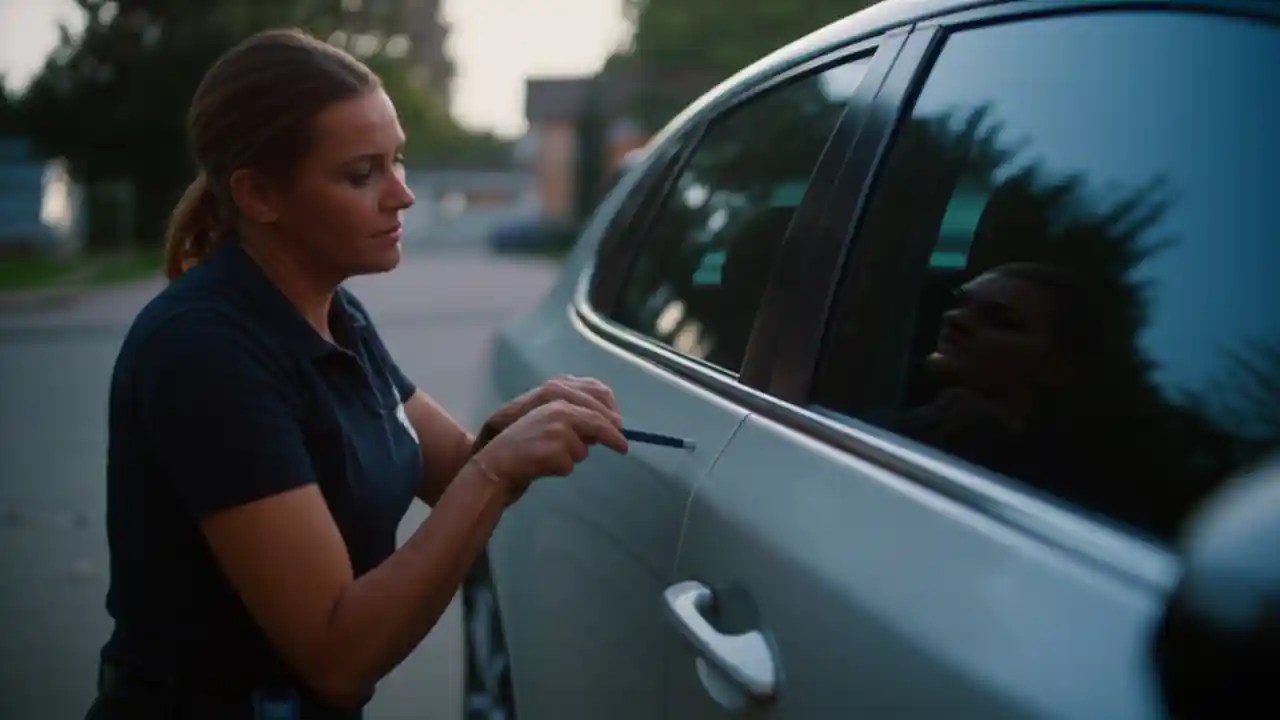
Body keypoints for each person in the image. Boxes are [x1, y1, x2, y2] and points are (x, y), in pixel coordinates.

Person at [86, 29, 629, 719]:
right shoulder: (206, 352)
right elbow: (338, 656)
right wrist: (498, 470)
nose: (402, 194)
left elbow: (454, 472)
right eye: (361, 173)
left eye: (396, 160)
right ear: (258, 195)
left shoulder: (334, 311)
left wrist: (513, 431)